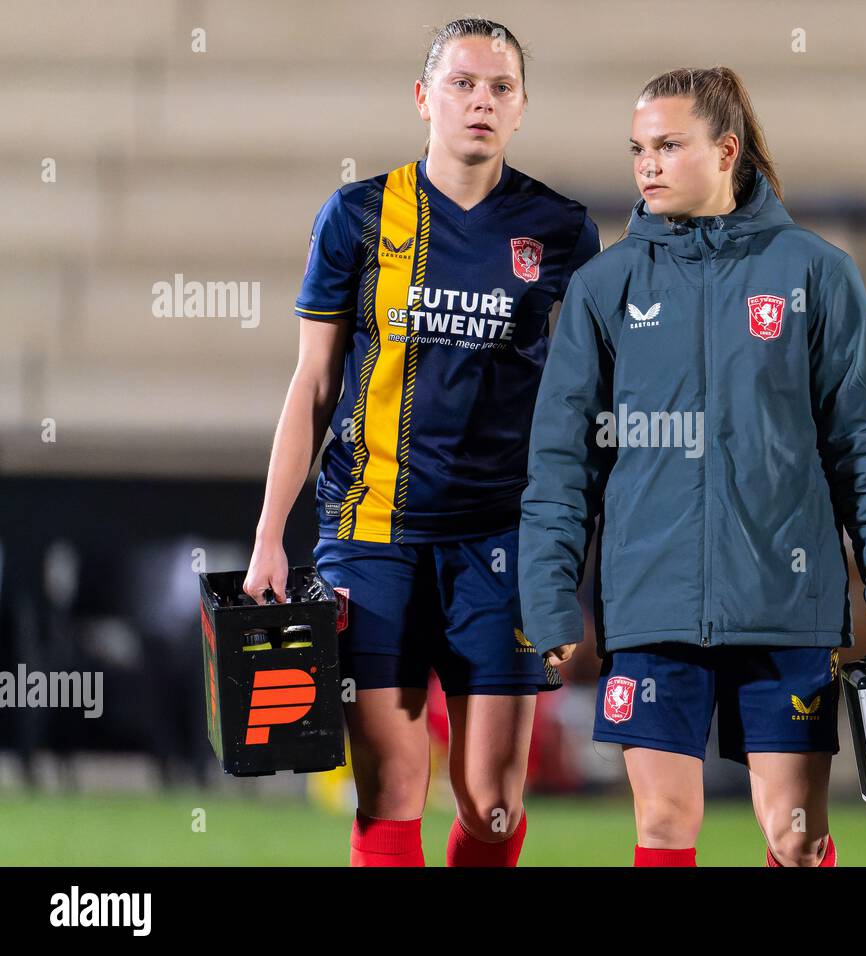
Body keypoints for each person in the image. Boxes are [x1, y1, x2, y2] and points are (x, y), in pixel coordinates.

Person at [518, 66, 866, 867]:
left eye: (670, 145)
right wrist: (549, 596)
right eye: (639, 148)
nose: (648, 165)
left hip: (786, 603)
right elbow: (563, 461)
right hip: (651, 605)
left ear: (726, 149)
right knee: (665, 828)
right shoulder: (604, 288)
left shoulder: (817, 274)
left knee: (796, 839)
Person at [242, 18, 600, 867]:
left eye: (500, 88)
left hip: (502, 540)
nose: (481, 100)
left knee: (495, 807)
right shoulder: (358, 215)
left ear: (520, 110)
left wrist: (564, 556)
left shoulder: (561, 230)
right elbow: (314, 386)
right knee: (391, 790)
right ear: (422, 99)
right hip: (373, 536)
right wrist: (269, 539)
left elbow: (583, 403)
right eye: (462, 83)